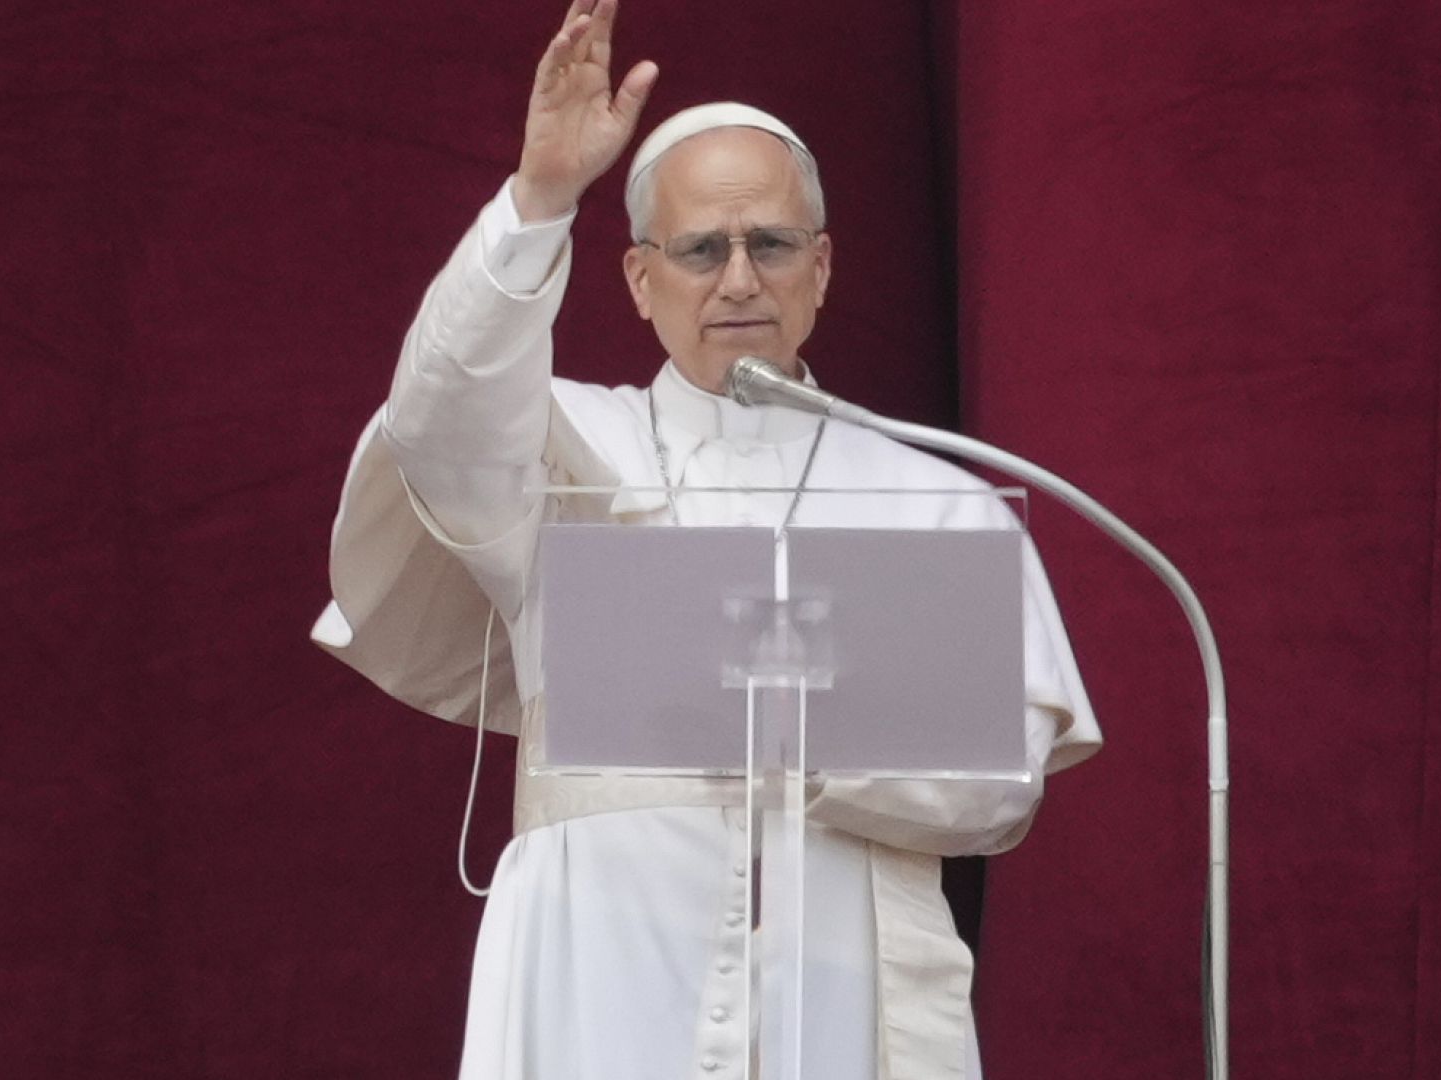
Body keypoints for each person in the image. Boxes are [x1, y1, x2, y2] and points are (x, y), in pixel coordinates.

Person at [310, 2, 1102, 1077]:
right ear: (641, 280)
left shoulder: (930, 498)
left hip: (840, 993)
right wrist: (540, 200)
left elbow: (1003, 783)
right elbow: (436, 420)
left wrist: (777, 723)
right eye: (700, 249)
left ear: (820, 269)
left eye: (770, 244)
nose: (739, 278)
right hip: (596, 983)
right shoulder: (560, 455)